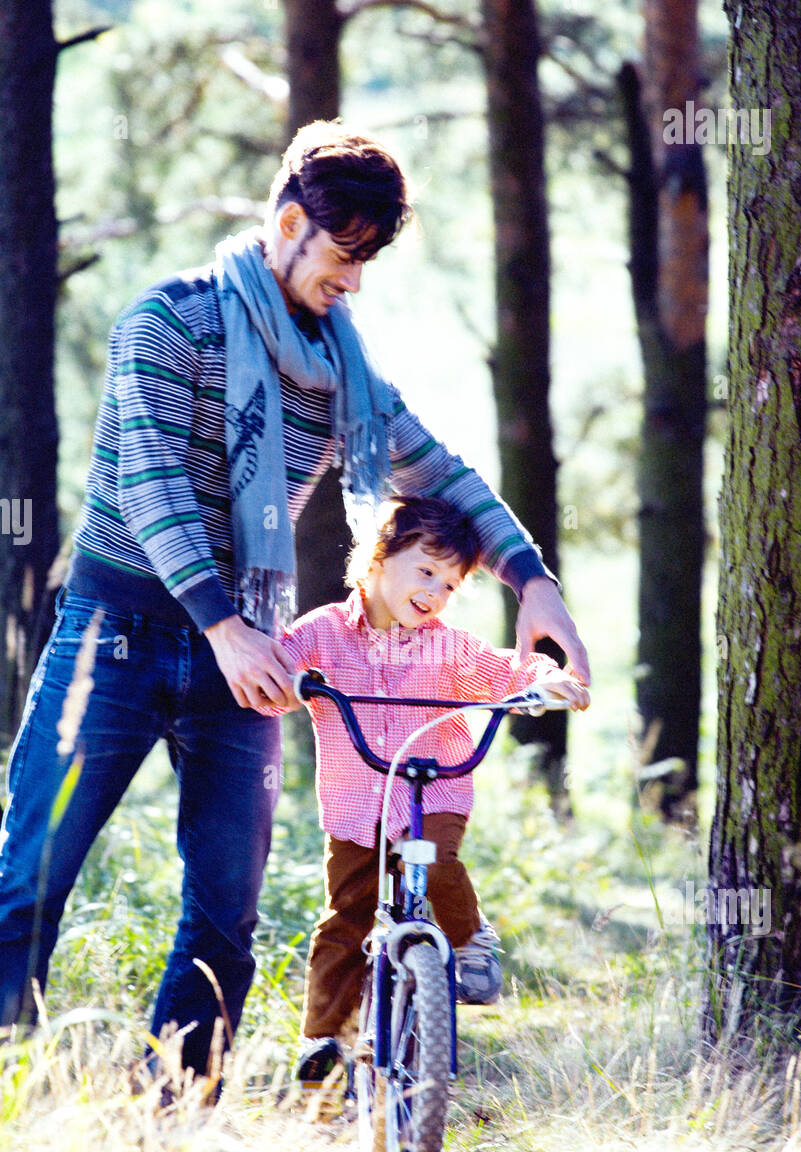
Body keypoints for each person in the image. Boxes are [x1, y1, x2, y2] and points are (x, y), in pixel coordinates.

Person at [0, 119, 589, 1088]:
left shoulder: (340, 370)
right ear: (287, 225)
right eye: (343, 255)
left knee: (225, 914)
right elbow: (151, 487)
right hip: (117, 633)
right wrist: (222, 626)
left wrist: (533, 581)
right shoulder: (166, 321)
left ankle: (174, 1112)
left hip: (251, 658)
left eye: (367, 261)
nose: (353, 281)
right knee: (30, 880)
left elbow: (437, 470)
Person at [279, 496, 590, 1086]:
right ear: (376, 559)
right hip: (356, 804)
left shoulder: (448, 645)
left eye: (449, 585)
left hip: (434, 790)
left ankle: (470, 940)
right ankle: (323, 1038)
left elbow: (503, 670)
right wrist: (285, 678)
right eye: (425, 571)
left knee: (436, 862)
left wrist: (547, 680)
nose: (436, 592)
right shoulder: (324, 630)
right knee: (346, 919)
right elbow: (282, 660)